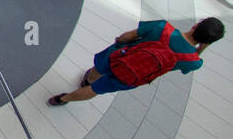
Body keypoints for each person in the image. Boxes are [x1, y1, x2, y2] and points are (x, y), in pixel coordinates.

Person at [48, 18, 224, 105]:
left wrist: (119, 40)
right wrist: (202, 47)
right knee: (96, 90)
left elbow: (129, 35)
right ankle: (64, 98)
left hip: (120, 56)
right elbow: (197, 57)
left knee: (99, 69)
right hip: (132, 76)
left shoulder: (163, 27)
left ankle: (89, 78)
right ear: (208, 41)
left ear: (196, 25)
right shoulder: (193, 61)